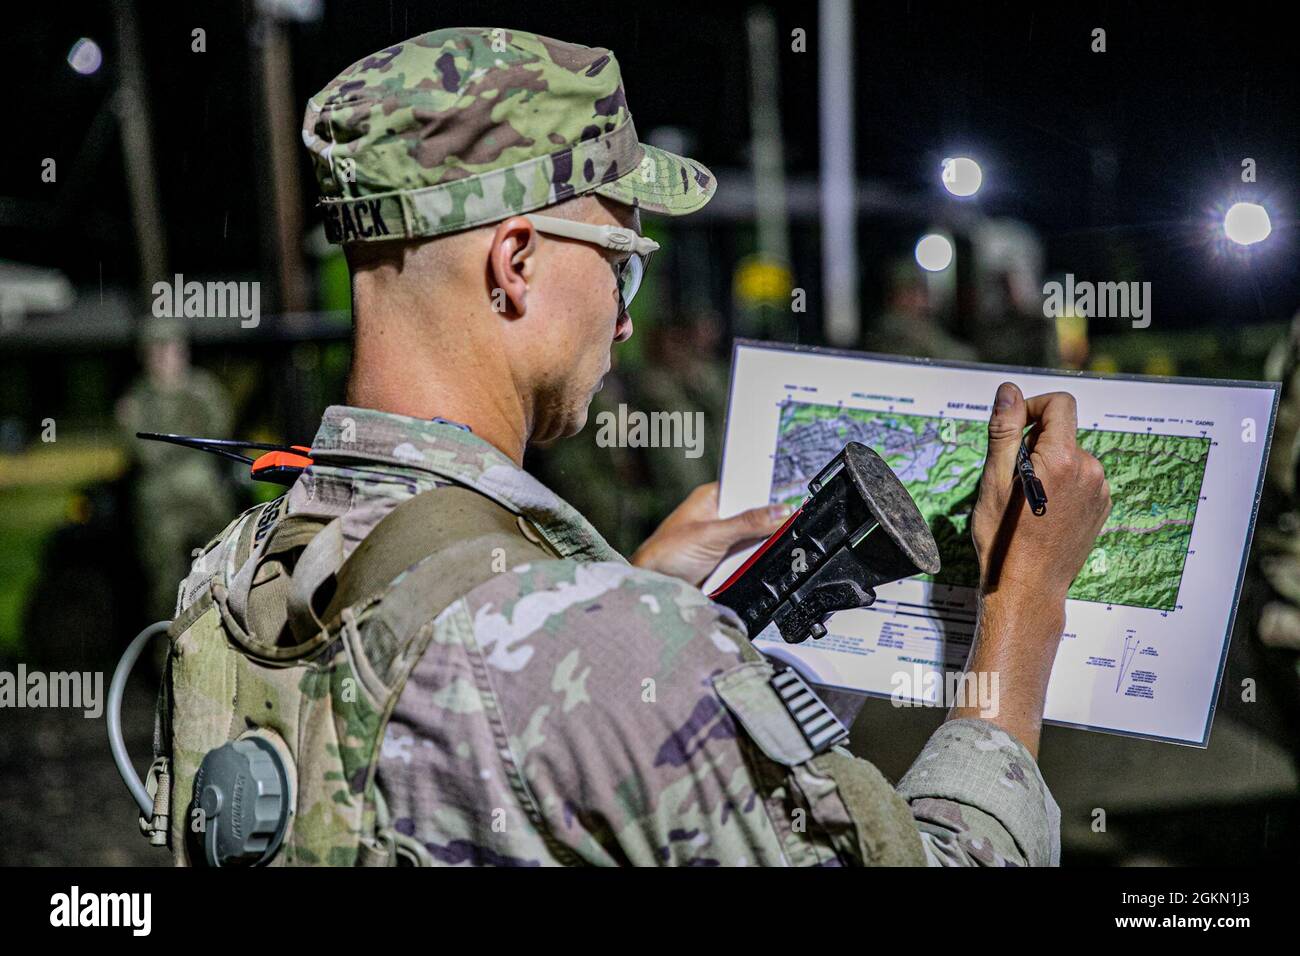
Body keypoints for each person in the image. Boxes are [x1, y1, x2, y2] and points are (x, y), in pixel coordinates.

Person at [159, 28, 1110, 867]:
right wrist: (1019, 625)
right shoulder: (588, 647)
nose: (625, 319)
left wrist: (614, 594)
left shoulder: (235, 575)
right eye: (622, 263)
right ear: (516, 262)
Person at [115, 316, 234, 620]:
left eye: (172, 348)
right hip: (161, 504)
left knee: (222, 571)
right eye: (158, 350)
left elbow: (219, 433)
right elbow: (142, 451)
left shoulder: (203, 392)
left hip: (205, 498)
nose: (166, 357)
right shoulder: (137, 401)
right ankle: (167, 650)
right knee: (165, 586)